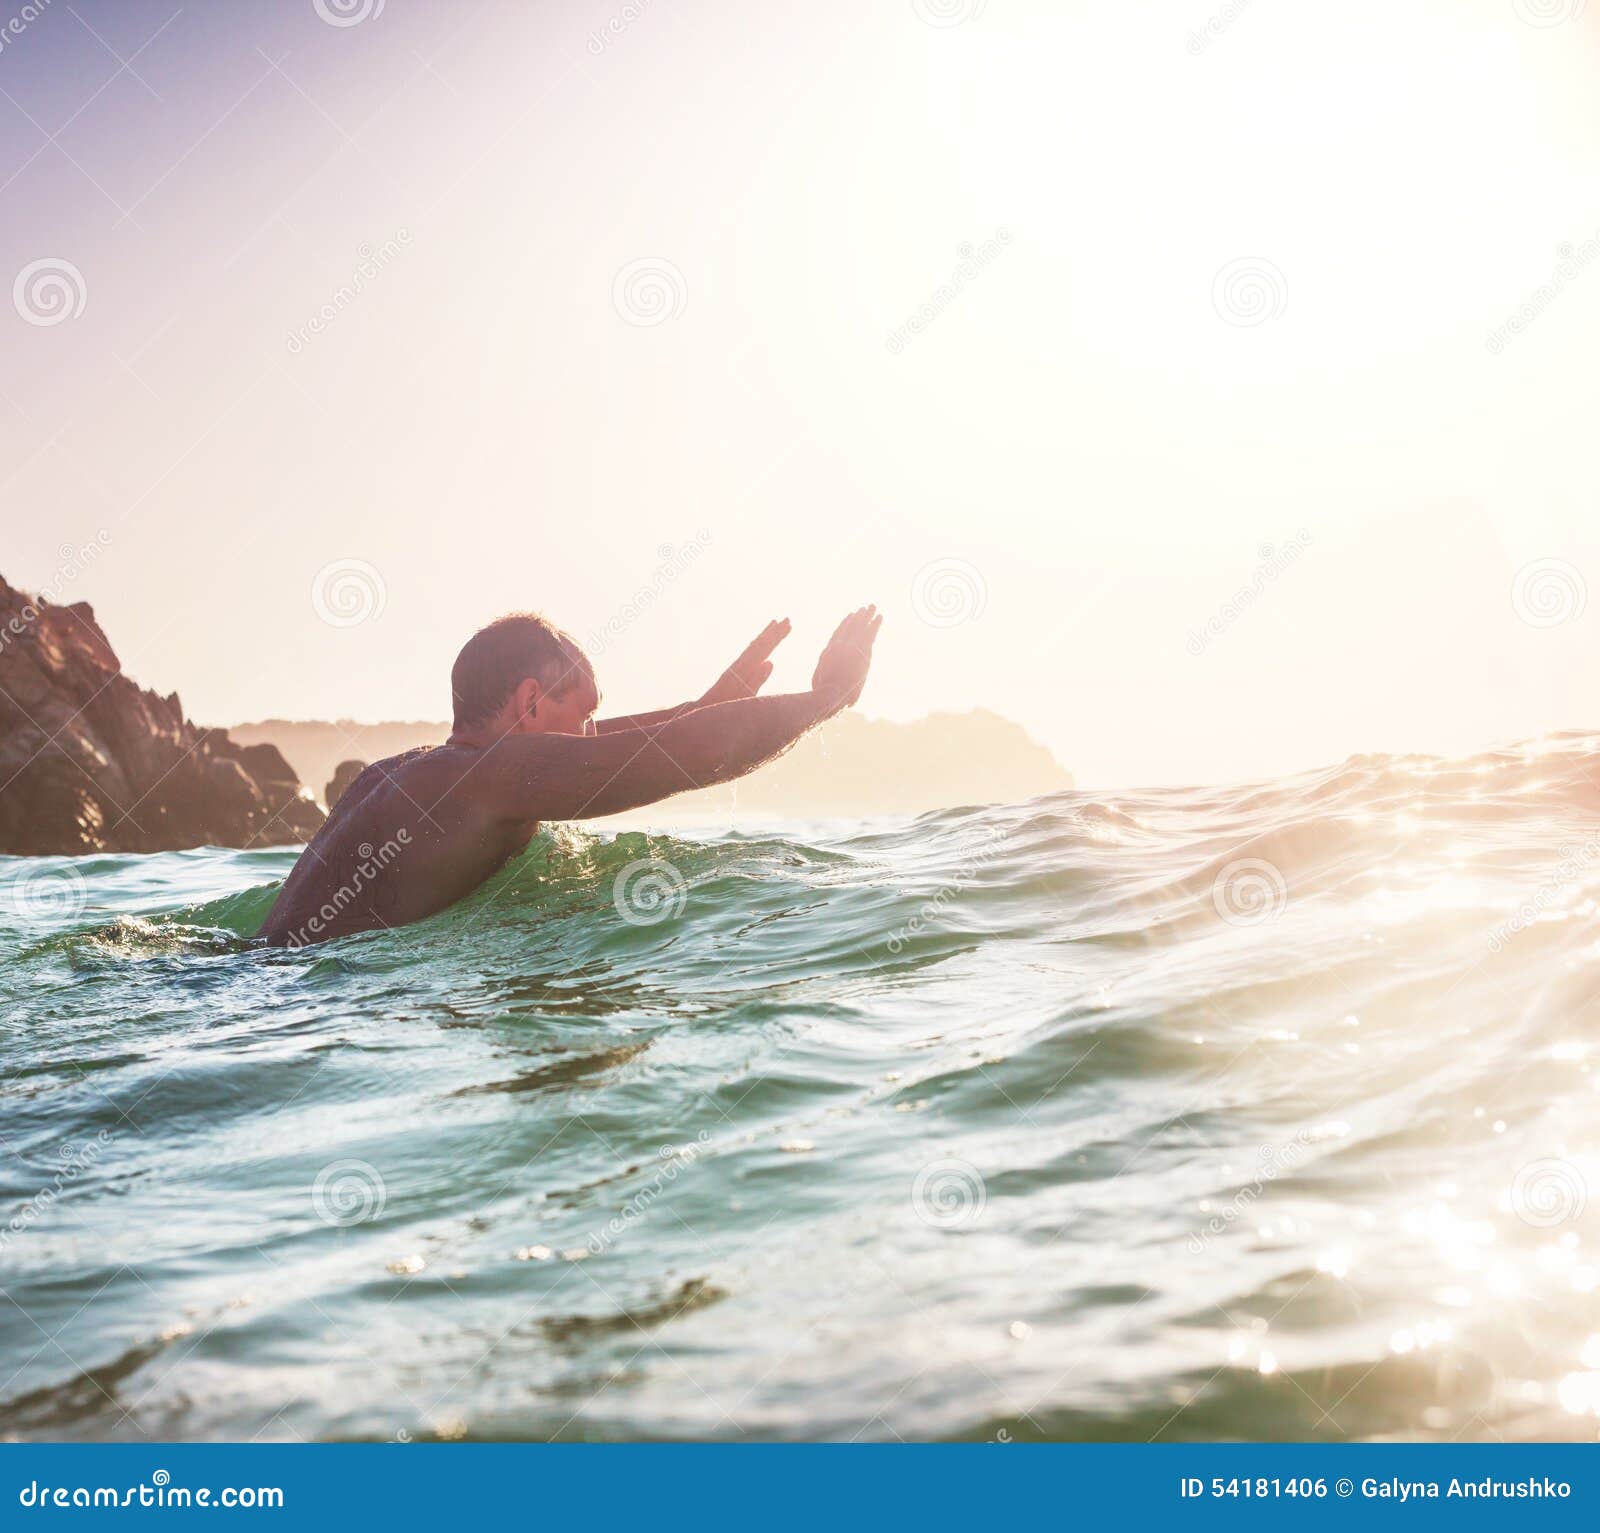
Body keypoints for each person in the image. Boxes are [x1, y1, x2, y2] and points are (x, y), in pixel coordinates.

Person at [257, 606, 882, 947]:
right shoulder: (490, 778)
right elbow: (671, 757)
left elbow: (630, 745)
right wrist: (826, 699)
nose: (592, 733)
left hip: (245, 977)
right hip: (280, 1004)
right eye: (583, 712)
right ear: (530, 702)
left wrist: (711, 703)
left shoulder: (419, 772)